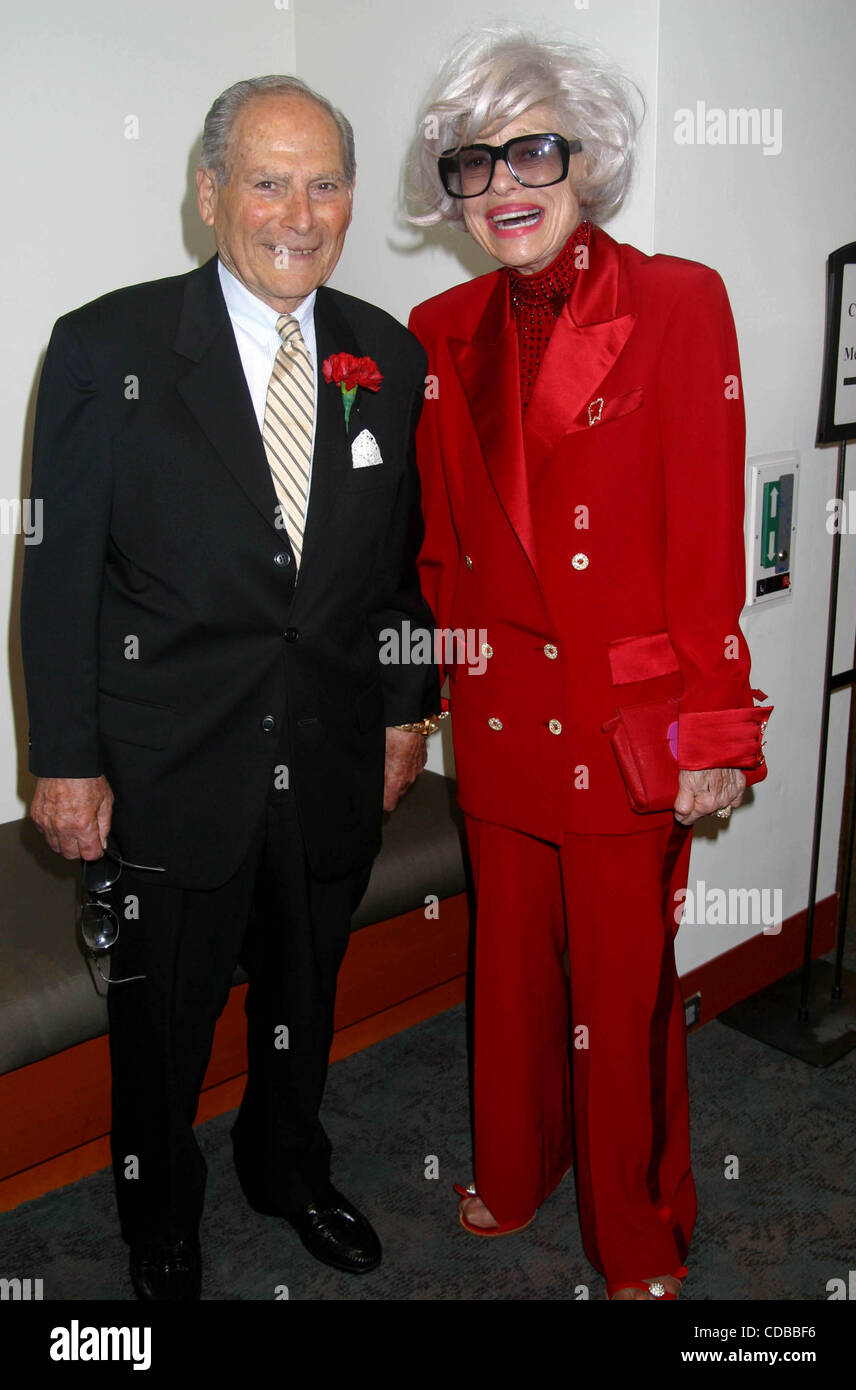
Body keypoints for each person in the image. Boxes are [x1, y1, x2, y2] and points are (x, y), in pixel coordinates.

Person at [21, 74, 440, 1301]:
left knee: (303, 994)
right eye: (266, 181)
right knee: (163, 1019)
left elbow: (400, 568)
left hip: (330, 751)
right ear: (209, 194)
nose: (297, 215)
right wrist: (65, 758)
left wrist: (406, 708)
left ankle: (285, 1163)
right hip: (168, 762)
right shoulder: (106, 348)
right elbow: (57, 576)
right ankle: (159, 1211)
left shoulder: (387, 354)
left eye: (324, 184)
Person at [405, 29, 770, 1300]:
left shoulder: (676, 301)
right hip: (500, 713)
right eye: (473, 162)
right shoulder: (437, 326)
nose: (502, 184)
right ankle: (517, 1165)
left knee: (619, 995)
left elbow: (705, 540)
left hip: (622, 720)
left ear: (585, 159)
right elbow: (441, 548)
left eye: (533, 151)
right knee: (506, 972)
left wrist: (713, 729)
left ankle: (639, 1224)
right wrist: (423, 695)